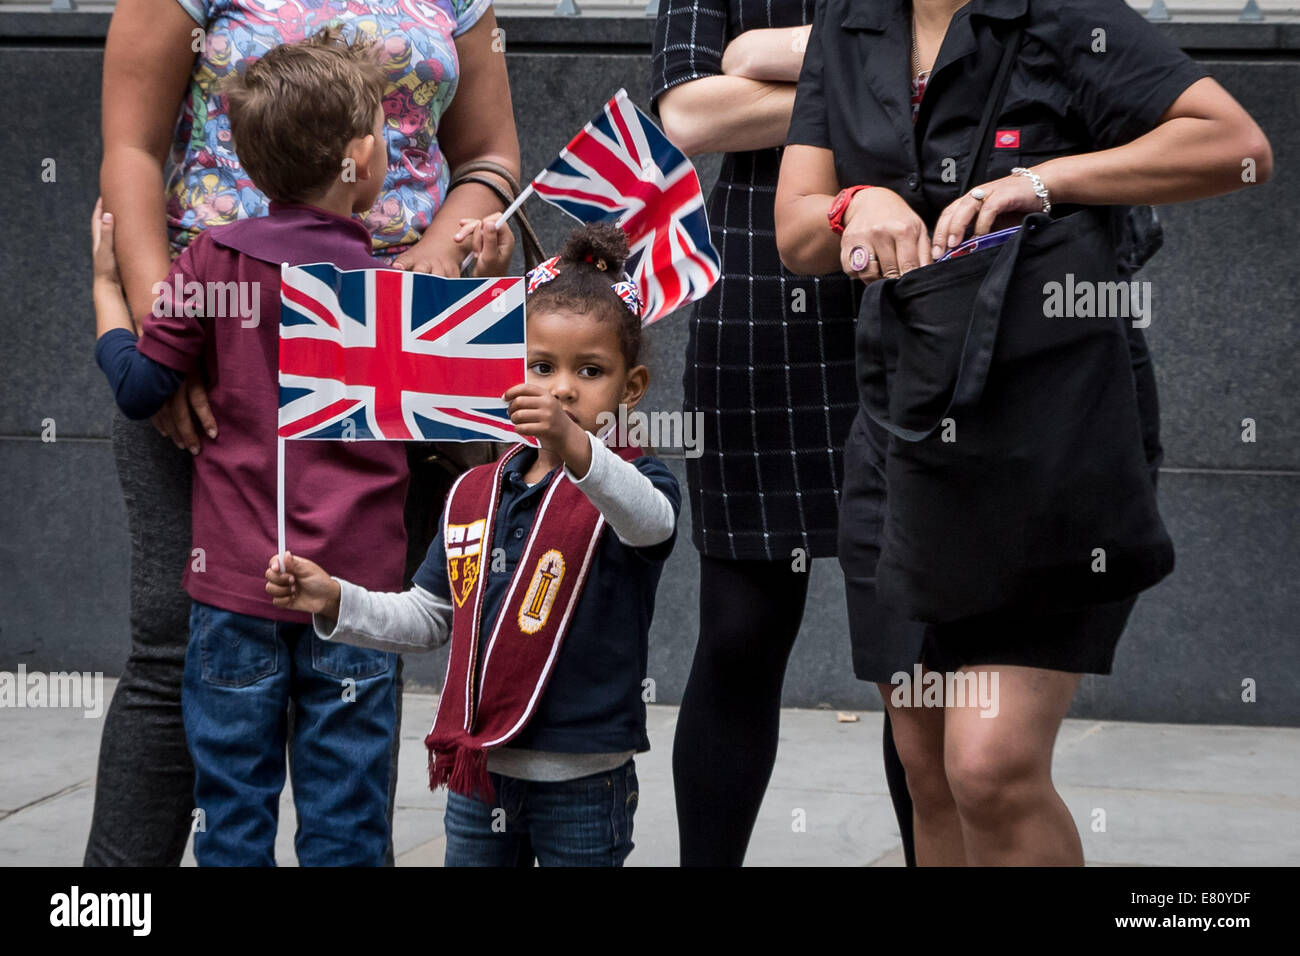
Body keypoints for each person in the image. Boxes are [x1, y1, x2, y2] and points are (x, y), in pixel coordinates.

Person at [776, 0, 1271, 864]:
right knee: (927, 769)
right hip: (904, 431)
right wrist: (856, 203)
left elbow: (1237, 146)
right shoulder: (850, 24)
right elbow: (796, 226)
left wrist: (1046, 180)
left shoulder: (1065, 15)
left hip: (1055, 430)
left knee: (989, 767)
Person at [90, 0, 519, 865]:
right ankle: (110, 903)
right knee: (182, 655)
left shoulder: (459, 5)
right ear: (365, 160)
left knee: (344, 657)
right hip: (214, 354)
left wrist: (446, 262)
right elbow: (131, 145)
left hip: (388, 358)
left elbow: (489, 154)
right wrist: (158, 330)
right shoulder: (216, 264)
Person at [264, 223, 680, 867]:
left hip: (585, 777)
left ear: (631, 388)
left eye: (589, 371)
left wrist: (577, 450)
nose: (562, 388)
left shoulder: (629, 480)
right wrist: (334, 600)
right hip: (480, 770)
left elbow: (651, 523)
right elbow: (430, 617)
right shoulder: (474, 493)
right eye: (541, 367)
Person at [651, 0, 916, 866]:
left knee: (916, 648)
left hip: (924, 271)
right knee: (740, 626)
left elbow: (979, 82)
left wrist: (777, 65)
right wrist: (886, 77)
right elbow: (691, 114)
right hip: (763, 285)